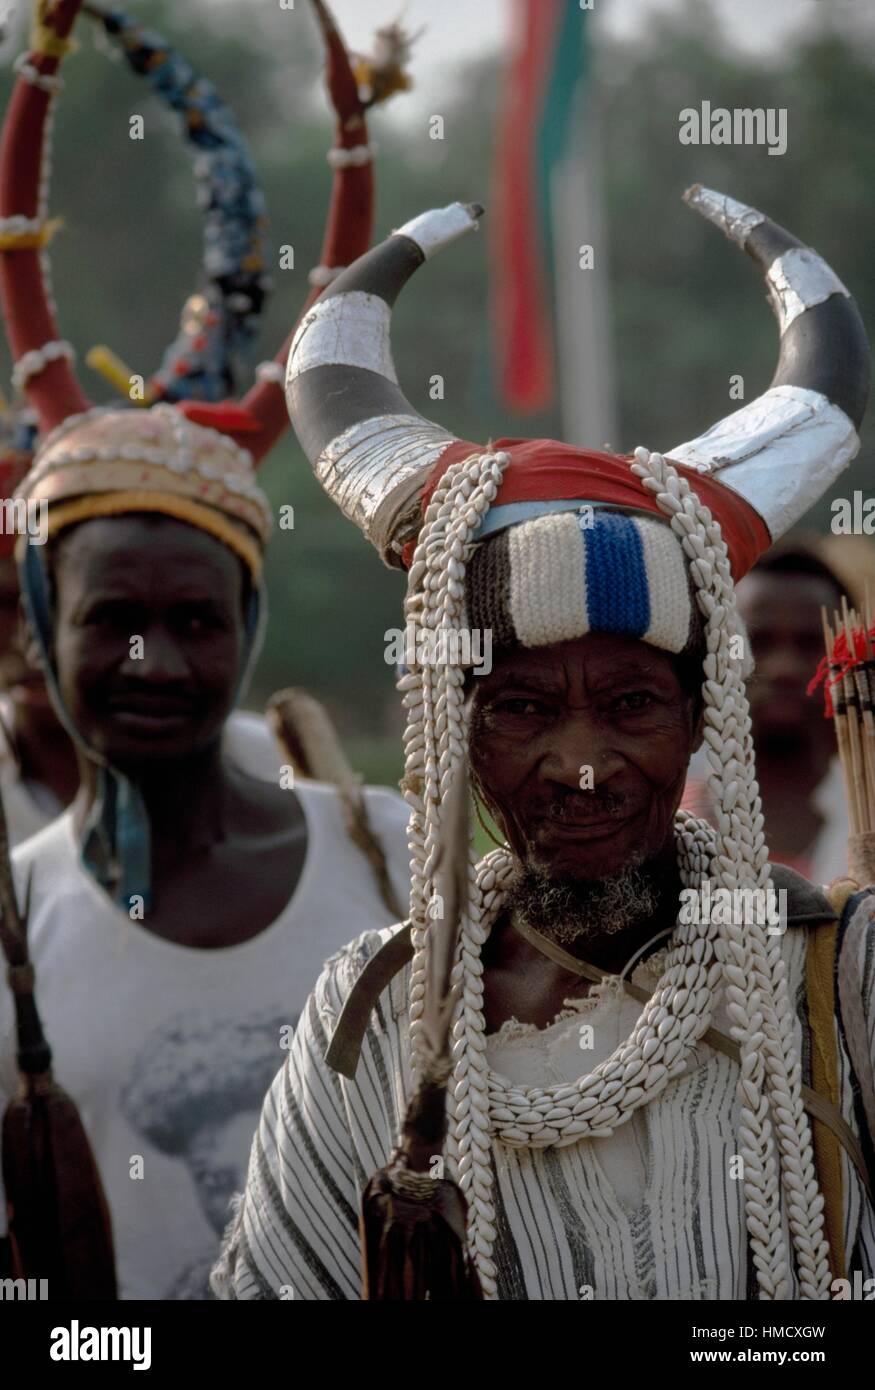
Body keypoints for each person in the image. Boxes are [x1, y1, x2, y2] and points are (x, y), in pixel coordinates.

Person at [215, 188, 875, 1301]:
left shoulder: (839, 975)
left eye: (628, 704)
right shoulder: (373, 1016)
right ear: (450, 725)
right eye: (520, 706)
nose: (582, 761)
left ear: (695, 715)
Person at [0, 0, 411, 1299]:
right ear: (41, 625)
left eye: (195, 619)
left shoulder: (397, 855)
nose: (154, 660)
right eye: (109, 618)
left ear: (252, 627)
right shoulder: (10, 919)